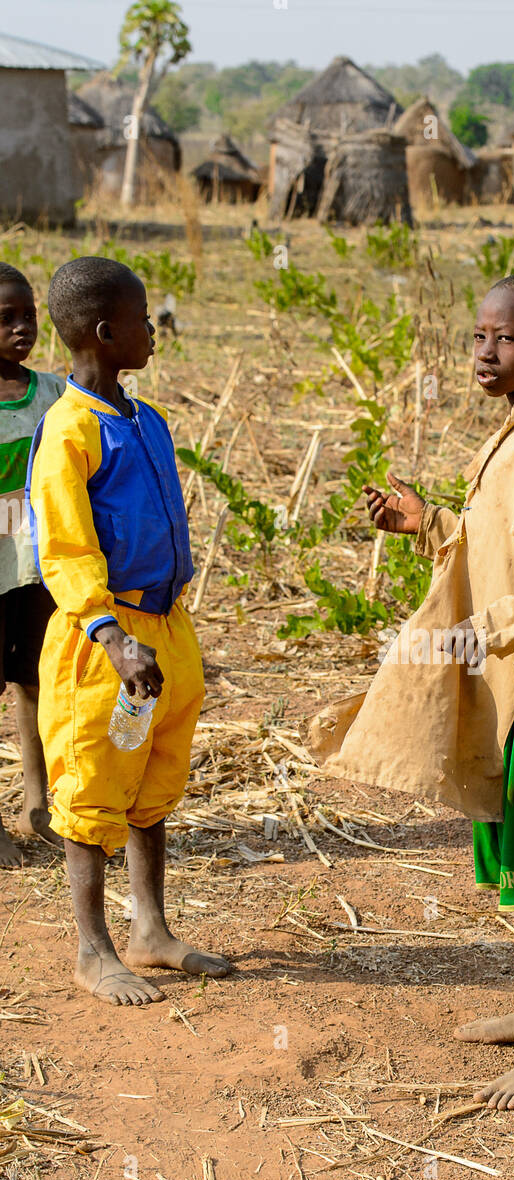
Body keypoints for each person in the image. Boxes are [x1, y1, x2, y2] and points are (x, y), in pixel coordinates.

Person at [308, 273, 514, 1109]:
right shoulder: (513, 433)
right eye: (479, 337)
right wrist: (429, 524)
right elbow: (503, 545)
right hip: (504, 673)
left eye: (508, 340)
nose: (488, 354)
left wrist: (498, 628)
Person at [26, 257, 230, 1006]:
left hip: (166, 624)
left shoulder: (147, 420)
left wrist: (159, 627)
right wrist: (115, 639)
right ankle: (92, 949)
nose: (154, 332)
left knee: (152, 778)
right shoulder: (69, 431)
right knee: (92, 784)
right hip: (102, 640)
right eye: (144, 321)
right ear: (108, 334)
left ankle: (152, 930)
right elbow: (68, 549)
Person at [0, 263, 65, 865]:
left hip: (35, 563)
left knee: (35, 680)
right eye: (5, 320)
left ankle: (37, 806)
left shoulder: (50, 394)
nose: (22, 328)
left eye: (28, 316)